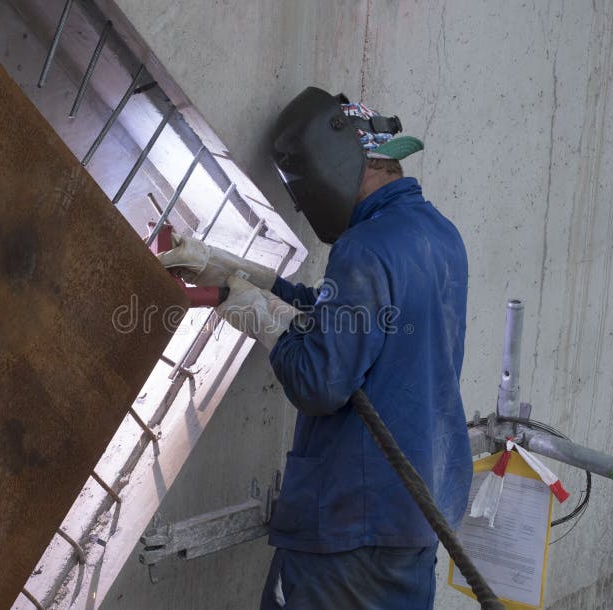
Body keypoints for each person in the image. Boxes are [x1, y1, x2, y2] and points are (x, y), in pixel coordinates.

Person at [158, 87, 472, 609]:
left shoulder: (363, 248)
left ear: (336, 161)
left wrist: (255, 314)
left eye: (300, 187)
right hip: (414, 519)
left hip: (349, 526)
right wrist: (232, 273)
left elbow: (320, 380)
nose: (303, 203)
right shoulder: (440, 235)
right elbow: (341, 318)